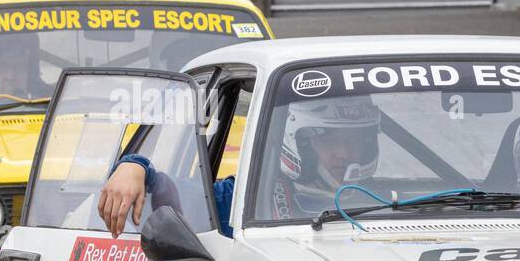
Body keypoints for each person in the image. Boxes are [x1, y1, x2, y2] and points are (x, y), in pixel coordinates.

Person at [98, 95, 381, 237]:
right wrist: (133, 167)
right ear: (299, 142)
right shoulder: (243, 197)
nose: (345, 153)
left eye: (354, 140)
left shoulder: (399, 202)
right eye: (328, 140)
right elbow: (168, 191)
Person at [0, 34, 51, 101]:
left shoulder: (55, 101)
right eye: (1, 66)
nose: (11, 76)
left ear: (29, 70)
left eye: (19, 65)